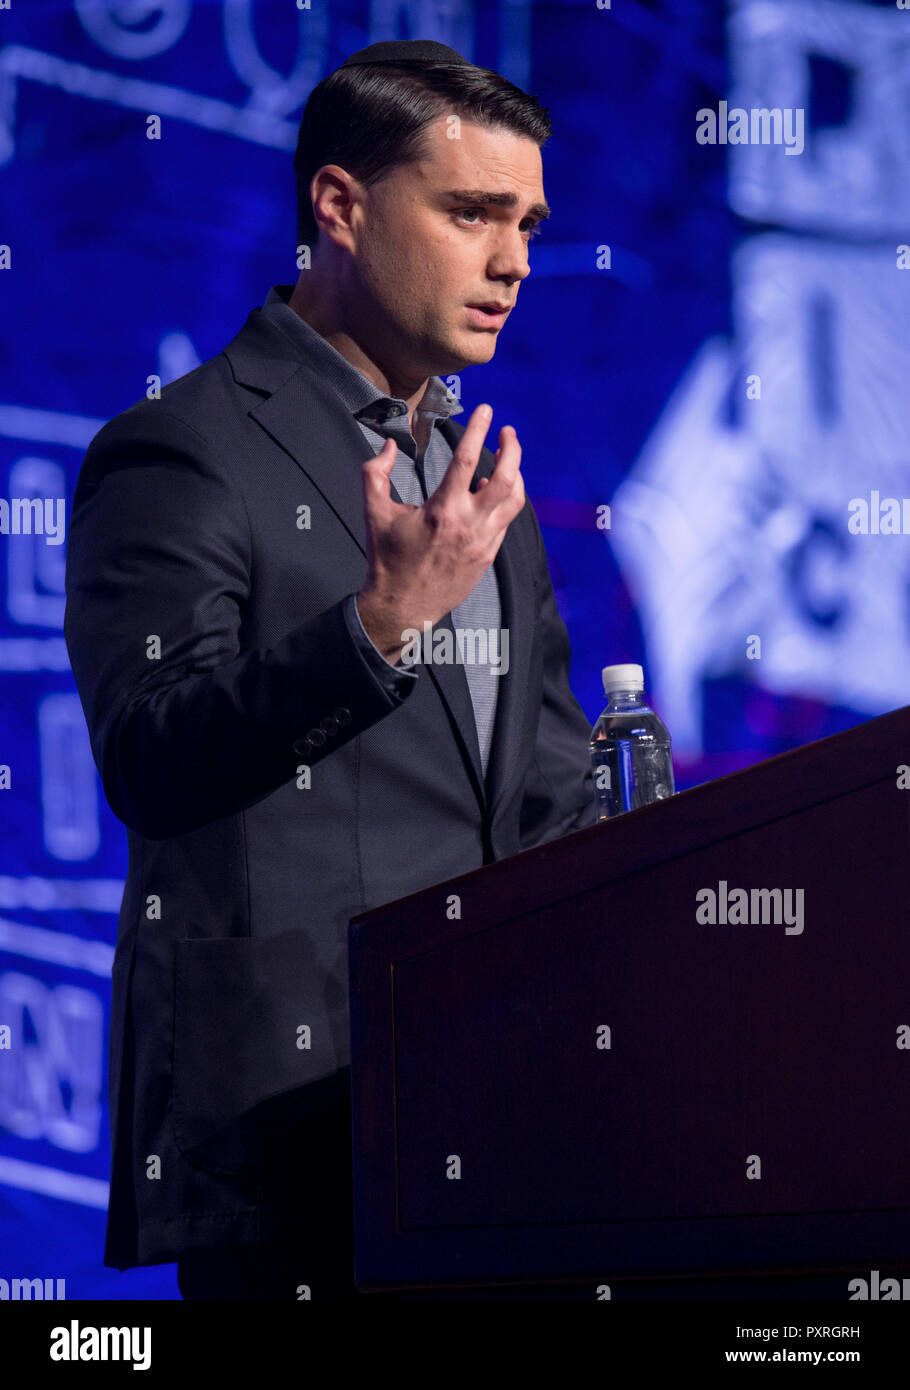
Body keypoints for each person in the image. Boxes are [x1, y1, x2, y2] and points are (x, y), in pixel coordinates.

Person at [63, 37, 597, 1302]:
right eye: (472, 212)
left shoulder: (480, 487)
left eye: (525, 221)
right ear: (340, 208)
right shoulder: (177, 448)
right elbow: (151, 752)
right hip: (295, 1131)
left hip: (497, 1117)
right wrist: (374, 626)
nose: (514, 260)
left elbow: (547, 791)